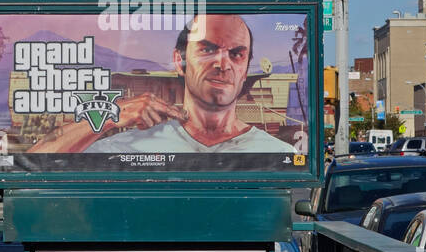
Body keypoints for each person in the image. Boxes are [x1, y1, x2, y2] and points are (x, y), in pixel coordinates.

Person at [27, 13, 298, 155]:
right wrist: (111, 115)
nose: (223, 64)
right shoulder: (130, 146)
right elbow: (32, 164)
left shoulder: (276, 152)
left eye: (236, 54)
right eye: (207, 50)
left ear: (246, 67)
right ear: (179, 61)